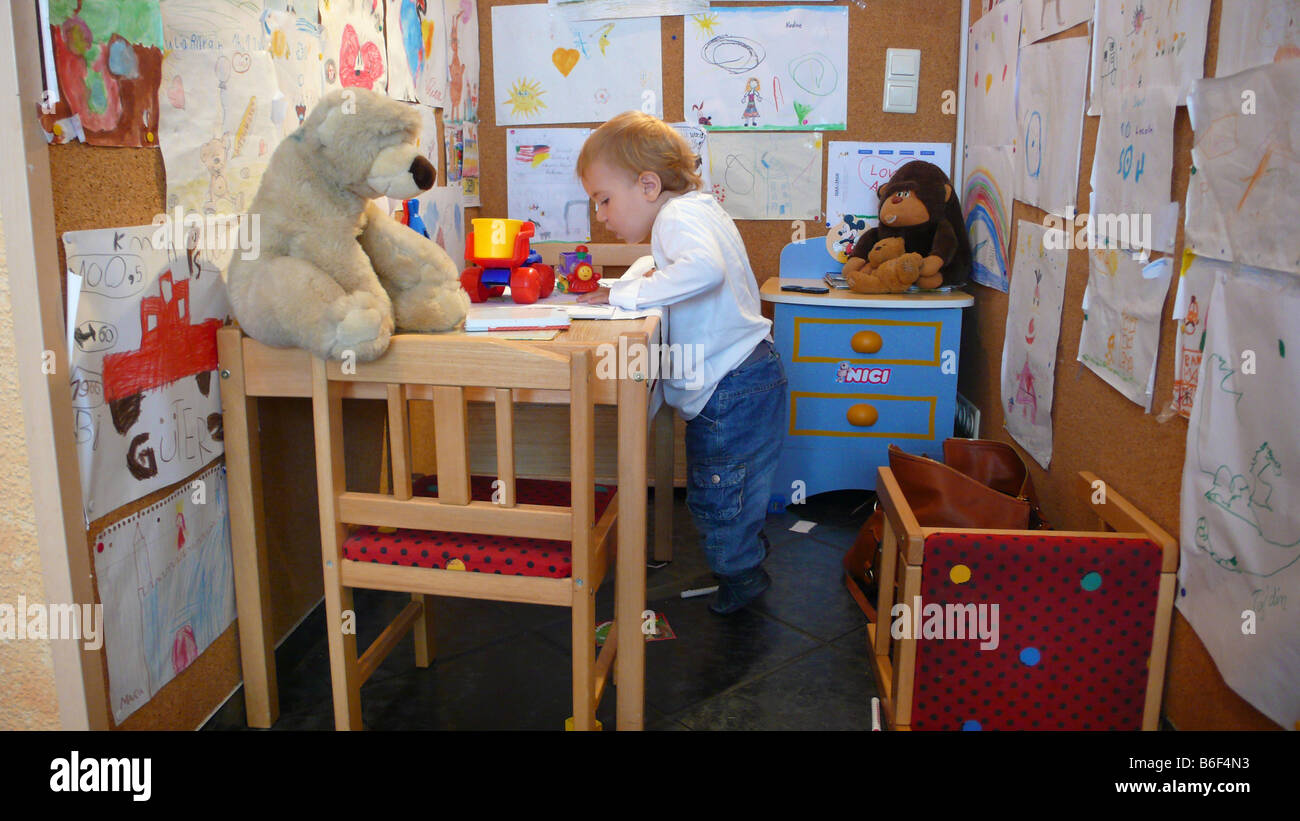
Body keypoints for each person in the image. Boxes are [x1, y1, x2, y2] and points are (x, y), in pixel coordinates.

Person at [575, 111, 786, 614]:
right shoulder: (695, 210)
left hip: (730, 385)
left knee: (718, 494)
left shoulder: (676, 218)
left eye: (604, 199)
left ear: (648, 185)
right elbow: (689, 270)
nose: (601, 215)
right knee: (731, 490)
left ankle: (742, 576)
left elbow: (706, 269)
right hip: (744, 376)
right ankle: (744, 551)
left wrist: (631, 293)